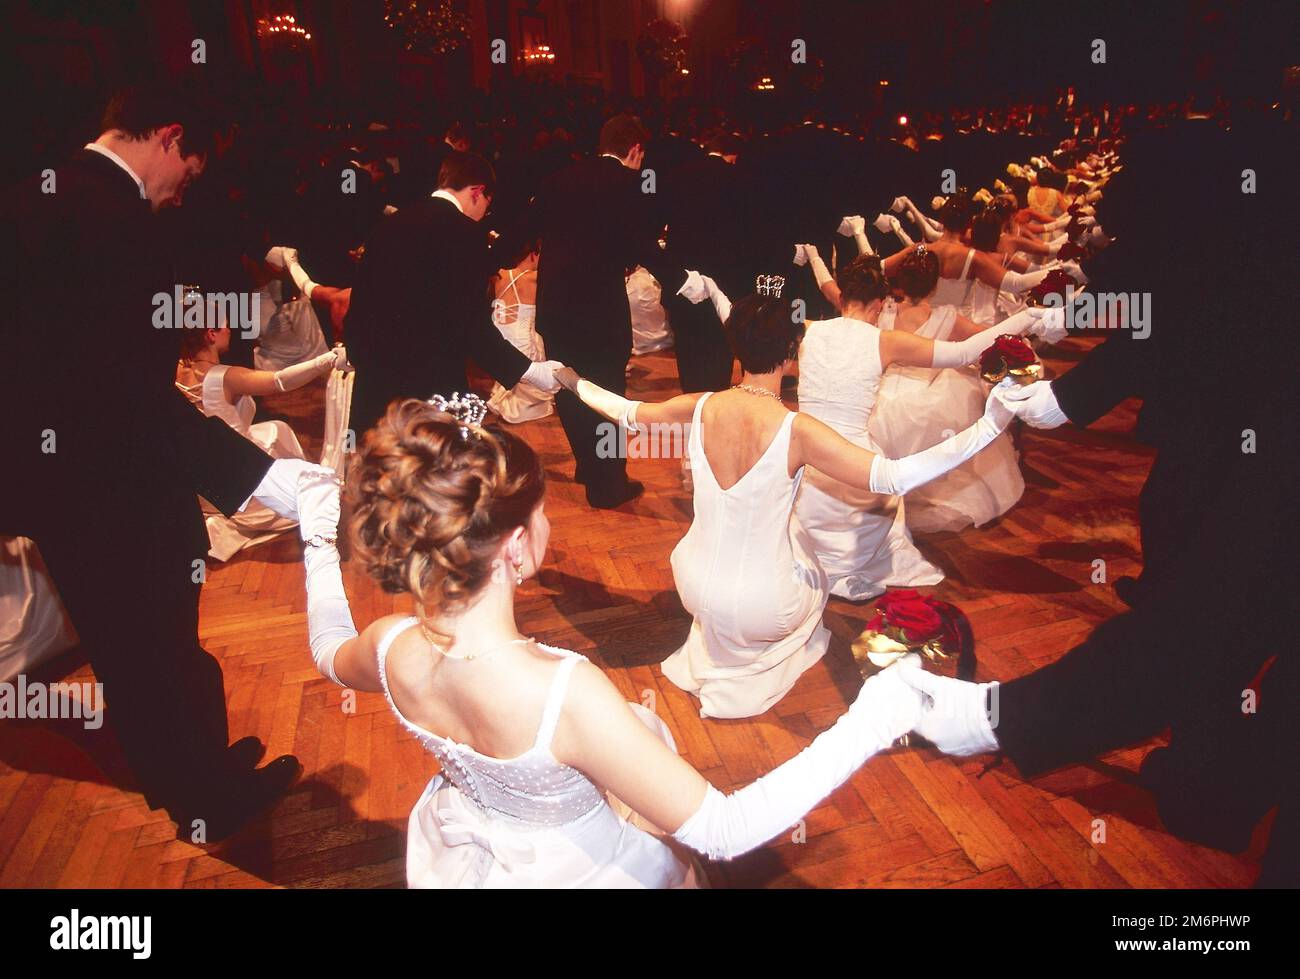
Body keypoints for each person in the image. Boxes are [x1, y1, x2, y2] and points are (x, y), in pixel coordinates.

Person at [278, 395, 925, 887]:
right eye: (541, 511)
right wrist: (872, 717)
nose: (548, 520)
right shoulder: (563, 693)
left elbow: (328, 647)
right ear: (516, 547)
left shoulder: (391, 647)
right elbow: (726, 829)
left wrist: (315, 538)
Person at [899, 120, 1300, 887]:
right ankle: (1212, 783)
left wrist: (1000, 715)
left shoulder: (1236, 245)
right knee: (1204, 583)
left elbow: (1167, 312)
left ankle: (1203, 778)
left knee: (1207, 604)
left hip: (1241, 448)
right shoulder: (1244, 226)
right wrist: (1064, 344)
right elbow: (1156, 300)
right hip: (1230, 435)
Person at [0, 84, 300, 841]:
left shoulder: (27, 199)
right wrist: (260, 479)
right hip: (121, 491)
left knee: (129, 657)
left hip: (62, 491)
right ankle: (207, 806)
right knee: (163, 655)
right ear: (170, 136)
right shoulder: (113, 220)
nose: (181, 193)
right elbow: (133, 396)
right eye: (190, 172)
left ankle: (193, 776)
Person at [559, 286, 1038, 718]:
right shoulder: (799, 430)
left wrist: (567, 378)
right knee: (812, 567)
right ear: (792, 354)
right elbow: (892, 477)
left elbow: (623, 411)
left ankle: (724, 640)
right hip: (761, 607)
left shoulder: (700, 405)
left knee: (792, 538)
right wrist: (990, 424)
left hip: (690, 585)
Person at [493, 115, 669, 509]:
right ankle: (607, 485)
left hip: (556, 308)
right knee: (608, 392)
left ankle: (589, 466)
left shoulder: (558, 179)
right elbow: (640, 246)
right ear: (636, 150)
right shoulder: (628, 184)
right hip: (600, 311)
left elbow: (520, 232)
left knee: (571, 388)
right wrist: (681, 280)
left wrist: (488, 258)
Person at [344, 150, 562, 435]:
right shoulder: (464, 234)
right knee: (439, 471)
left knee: (382, 470)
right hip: (430, 384)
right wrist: (529, 371)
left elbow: (358, 306)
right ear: (477, 191)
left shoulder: (388, 225)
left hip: (374, 383)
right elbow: (469, 324)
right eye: (487, 204)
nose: (484, 213)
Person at [175, 313, 346, 559]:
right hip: (235, 486)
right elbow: (280, 381)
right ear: (210, 334)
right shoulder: (227, 377)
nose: (230, 329)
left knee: (276, 429)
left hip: (204, 486)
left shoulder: (178, 370)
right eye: (224, 325)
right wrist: (326, 361)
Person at [659, 129, 745, 393]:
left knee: (687, 348)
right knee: (720, 349)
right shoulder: (737, 179)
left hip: (683, 279)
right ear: (733, 156)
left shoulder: (675, 176)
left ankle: (691, 402)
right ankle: (714, 402)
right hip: (724, 279)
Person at [485, 241, 553, 423]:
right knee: (535, 374)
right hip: (521, 337)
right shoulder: (534, 278)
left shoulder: (500, 274)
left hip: (499, 334)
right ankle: (519, 410)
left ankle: (504, 400)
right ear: (533, 255)